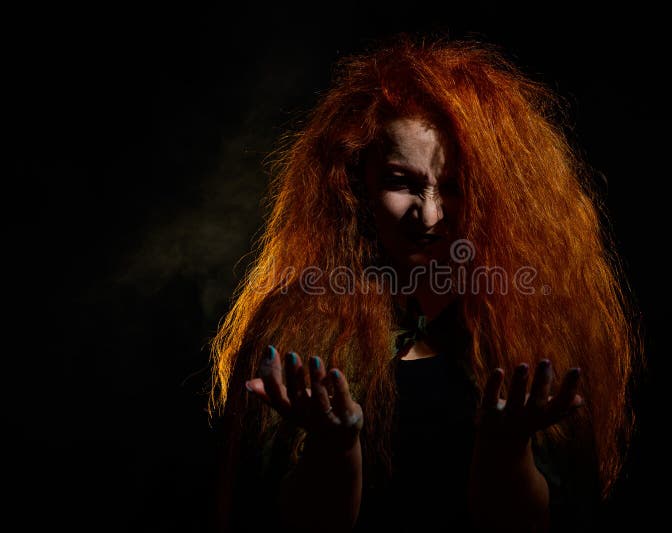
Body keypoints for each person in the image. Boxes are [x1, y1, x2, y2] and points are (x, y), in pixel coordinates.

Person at [209, 35, 639, 533]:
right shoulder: (300, 325)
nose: (429, 214)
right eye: (402, 182)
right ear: (355, 182)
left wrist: (506, 450)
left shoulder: (537, 323)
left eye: (454, 187)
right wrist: (335, 447)